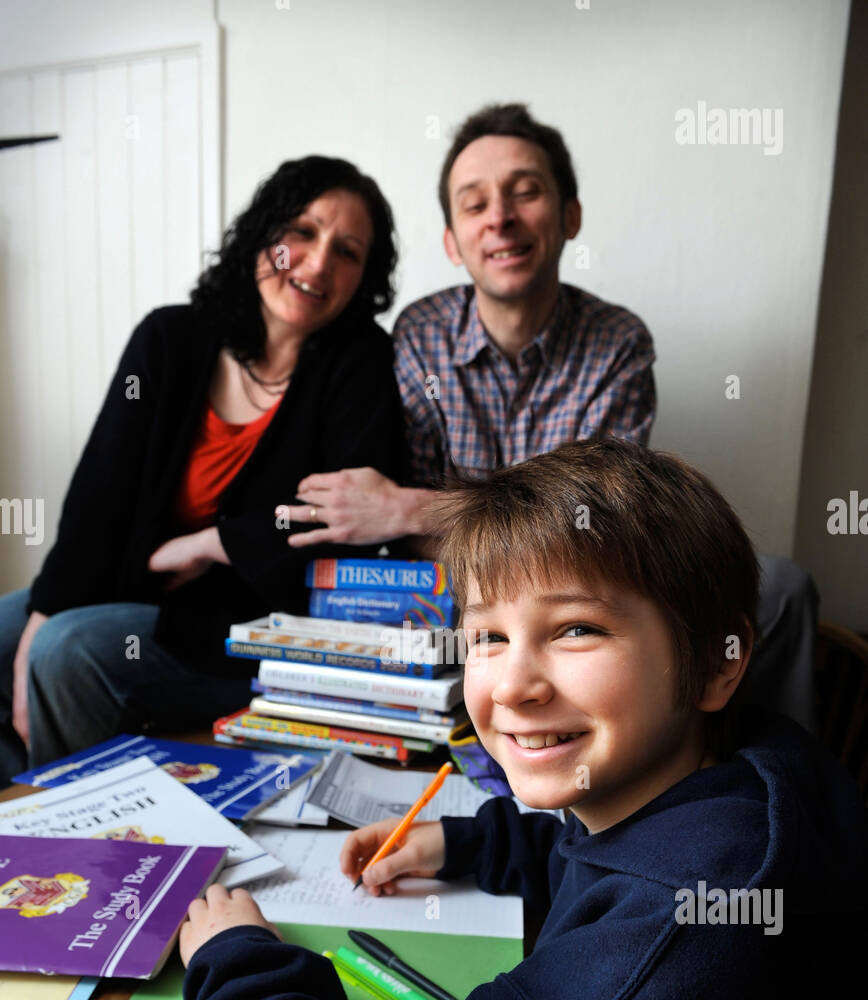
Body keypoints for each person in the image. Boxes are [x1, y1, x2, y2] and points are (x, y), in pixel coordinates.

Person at [175, 439, 866, 1000]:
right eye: (488, 637)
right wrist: (468, 844)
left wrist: (243, 973)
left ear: (720, 660)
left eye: (576, 629)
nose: (513, 686)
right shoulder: (745, 777)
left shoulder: (680, 927)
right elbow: (606, 842)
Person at [276, 102, 819, 732]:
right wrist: (430, 523)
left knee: (782, 587)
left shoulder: (618, 342)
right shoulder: (420, 332)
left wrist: (403, 505)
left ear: (570, 216)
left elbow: (590, 524)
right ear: (453, 242)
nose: (501, 218)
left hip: (582, 587)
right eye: (475, 204)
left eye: (525, 193)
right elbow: (434, 548)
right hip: (459, 589)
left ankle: (773, 794)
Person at [0, 156, 406, 786]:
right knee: (17, 635)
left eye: (347, 252)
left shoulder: (363, 365)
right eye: (302, 231)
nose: (319, 261)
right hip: (135, 584)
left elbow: (339, 517)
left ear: (363, 279)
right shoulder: (170, 339)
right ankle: (27, 811)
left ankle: (76, 844)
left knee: (66, 652)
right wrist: (44, 613)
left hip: (248, 625)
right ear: (263, 235)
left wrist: (211, 544)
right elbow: (99, 496)